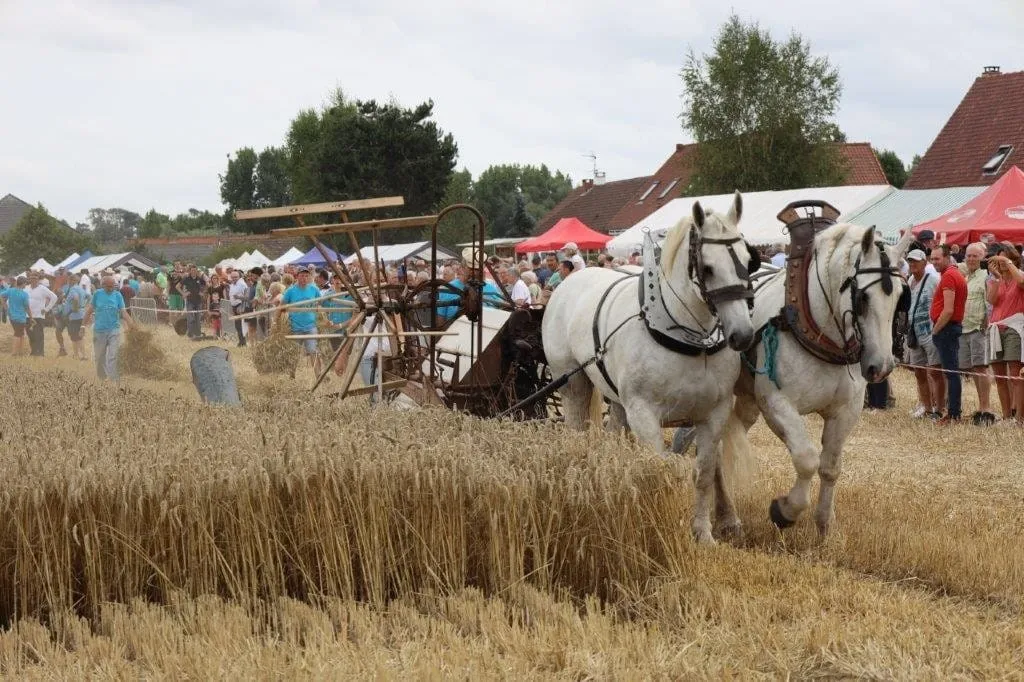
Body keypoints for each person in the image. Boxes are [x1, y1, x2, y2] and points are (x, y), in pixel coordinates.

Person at [928, 244, 968, 424]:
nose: (934, 262)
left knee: (951, 373)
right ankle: (953, 412)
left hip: (946, 328)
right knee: (951, 372)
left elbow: (948, 310)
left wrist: (935, 331)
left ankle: (953, 414)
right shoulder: (953, 274)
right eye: (932, 258)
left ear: (946, 257)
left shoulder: (949, 277)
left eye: (937, 258)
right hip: (949, 327)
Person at [985, 244, 1024, 425]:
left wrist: (1007, 263)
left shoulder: (1019, 277)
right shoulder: (995, 280)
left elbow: (1022, 282)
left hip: (1014, 328)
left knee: (1015, 375)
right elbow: (992, 300)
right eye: (997, 260)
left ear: (1013, 259)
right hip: (996, 328)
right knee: (1000, 376)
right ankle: (1007, 415)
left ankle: (1019, 418)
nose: (999, 263)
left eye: (1003, 260)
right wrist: (998, 278)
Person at [958, 242, 995, 424]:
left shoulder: (986, 277)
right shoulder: (966, 278)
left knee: (981, 368)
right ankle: (981, 406)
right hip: (965, 328)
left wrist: (985, 327)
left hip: (979, 329)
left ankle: (986, 408)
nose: (971, 259)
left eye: (975, 256)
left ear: (983, 258)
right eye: (969, 256)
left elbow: (989, 305)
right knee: (974, 369)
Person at [904, 250, 943, 418]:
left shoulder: (933, 280)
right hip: (914, 332)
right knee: (919, 372)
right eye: (910, 261)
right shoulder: (910, 280)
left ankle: (939, 408)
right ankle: (926, 407)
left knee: (935, 371)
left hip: (930, 331)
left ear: (924, 262)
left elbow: (941, 302)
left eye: (916, 261)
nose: (912, 264)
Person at [83, 274, 135, 382]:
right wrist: (82, 326)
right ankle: (102, 378)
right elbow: (89, 311)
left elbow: (123, 312)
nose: (111, 289)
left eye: (113, 286)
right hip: (99, 330)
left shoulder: (117, 295)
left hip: (114, 329)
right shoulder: (97, 294)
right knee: (99, 357)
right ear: (103, 285)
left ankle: (114, 379)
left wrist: (132, 325)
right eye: (109, 287)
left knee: (113, 355)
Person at [278, 268, 324, 379]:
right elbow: (282, 306)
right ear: (297, 277)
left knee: (313, 351)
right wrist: (277, 322)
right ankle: (291, 375)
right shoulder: (290, 291)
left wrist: (319, 309)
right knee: (294, 352)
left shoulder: (314, 289)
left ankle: (319, 376)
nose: (304, 278)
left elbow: (320, 302)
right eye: (302, 275)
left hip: (310, 326)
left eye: (306, 276)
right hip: (295, 327)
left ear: (309, 277)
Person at [26, 273, 58, 357]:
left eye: (35, 278)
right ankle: (33, 351)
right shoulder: (26, 288)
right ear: (29, 279)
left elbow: (54, 297)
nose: (33, 279)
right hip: (28, 315)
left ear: (38, 279)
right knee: (30, 334)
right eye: (32, 278)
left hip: (39, 316)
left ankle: (40, 353)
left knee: (38, 335)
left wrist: (47, 309)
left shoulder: (43, 289)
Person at [0, 276, 30, 356]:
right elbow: (27, 307)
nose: (26, 285)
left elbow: (1, 296)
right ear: (23, 284)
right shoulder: (25, 294)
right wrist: (31, 317)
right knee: (18, 334)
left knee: (21, 334)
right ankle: (14, 353)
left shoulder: (10, 290)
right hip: (20, 317)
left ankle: (21, 352)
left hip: (12, 316)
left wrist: (5, 307)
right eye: (25, 284)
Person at [177, 264, 206, 339]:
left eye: (195, 270)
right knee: (190, 319)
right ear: (190, 271)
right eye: (192, 270)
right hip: (190, 301)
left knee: (198, 319)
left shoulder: (200, 279)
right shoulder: (186, 279)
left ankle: (198, 334)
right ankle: (190, 334)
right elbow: (177, 286)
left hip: (198, 301)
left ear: (197, 271)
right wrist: (183, 294)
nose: (193, 271)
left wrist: (203, 293)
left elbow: (207, 285)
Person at [63, 277, 88, 361]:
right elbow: (89, 296)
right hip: (81, 314)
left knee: (74, 337)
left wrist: (75, 308)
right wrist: (84, 306)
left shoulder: (73, 289)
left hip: (74, 315)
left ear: (73, 281)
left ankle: (77, 355)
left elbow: (76, 298)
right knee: (80, 336)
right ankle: (83, 355)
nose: (69, 282)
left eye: (70, 280)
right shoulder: (81, 289)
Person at [228, 270, 249, 346]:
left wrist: (238, 297)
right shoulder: (232, 284)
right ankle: (241, 341)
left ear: (239, 277)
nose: (234, 278)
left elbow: (247, 297)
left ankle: (244, 342)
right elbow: (231, 297)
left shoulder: (242, 284)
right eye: (232, 277)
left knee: (241, 325)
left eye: (236, 277)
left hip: (240, 306)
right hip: (234, 306)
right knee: (237, 325)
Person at [206, 273, 228, 339]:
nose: (214, 279)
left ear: (217, 279)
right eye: (213, 278)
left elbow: (225, 296)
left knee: (222, 321)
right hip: (214, 306)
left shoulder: (222, 286)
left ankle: (223, 336)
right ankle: (216, 336)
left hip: (221, 304)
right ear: (211, 279)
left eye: (216, 278)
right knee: (215, 322)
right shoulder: (210, 288)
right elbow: (208, 298)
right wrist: (208, 309)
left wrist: (225, 305)